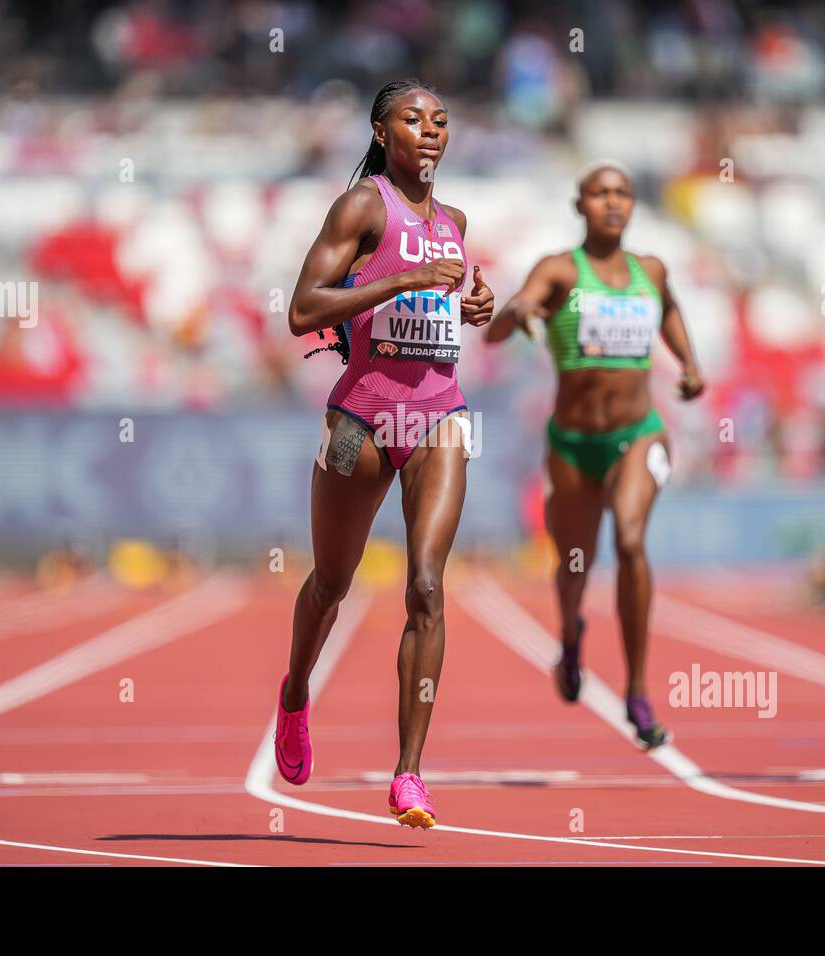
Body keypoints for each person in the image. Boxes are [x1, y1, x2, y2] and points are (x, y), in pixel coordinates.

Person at [272, 79, 494, 828]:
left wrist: (475, 303)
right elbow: (303, 308)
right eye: (412, 119)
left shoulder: (457, 221)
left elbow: (450, 298)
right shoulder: (363, 206)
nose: (430, 131)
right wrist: (399, 279)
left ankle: (409, 775)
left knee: (427, 587)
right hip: (361, 419)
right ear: (381, 129)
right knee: (332, 584)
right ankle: (297, 690)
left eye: (440, 120)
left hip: (440, 415)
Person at [485, 160, 704, 750]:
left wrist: (689, 364)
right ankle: (571, 636)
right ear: (579, 205)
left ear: (632, 206)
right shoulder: (559, 270)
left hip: (638, 434)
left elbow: (673, 309)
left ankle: (636, 689)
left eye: (622, 194)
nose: (612, 202)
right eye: (599, 194)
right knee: (572, 567)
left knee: (631, 540)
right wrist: (520, 311)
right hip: (573, 444)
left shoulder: (650, 272)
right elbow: (500, 326)